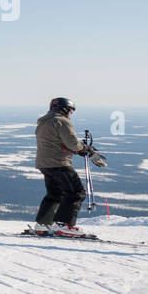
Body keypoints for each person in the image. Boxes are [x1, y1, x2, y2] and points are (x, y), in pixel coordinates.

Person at [32, 97, 105, 237]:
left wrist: (79, 149)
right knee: (76, 193)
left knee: (55, 194)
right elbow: (72, 143)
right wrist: (85, 148)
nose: (71, 113)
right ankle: (64, 225)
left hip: (44, 163)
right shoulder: (62, 121)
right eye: (71, 110)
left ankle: (42, 224)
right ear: (64, 108)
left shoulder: (44, 122)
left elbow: (56, 143)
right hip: (59, 163)